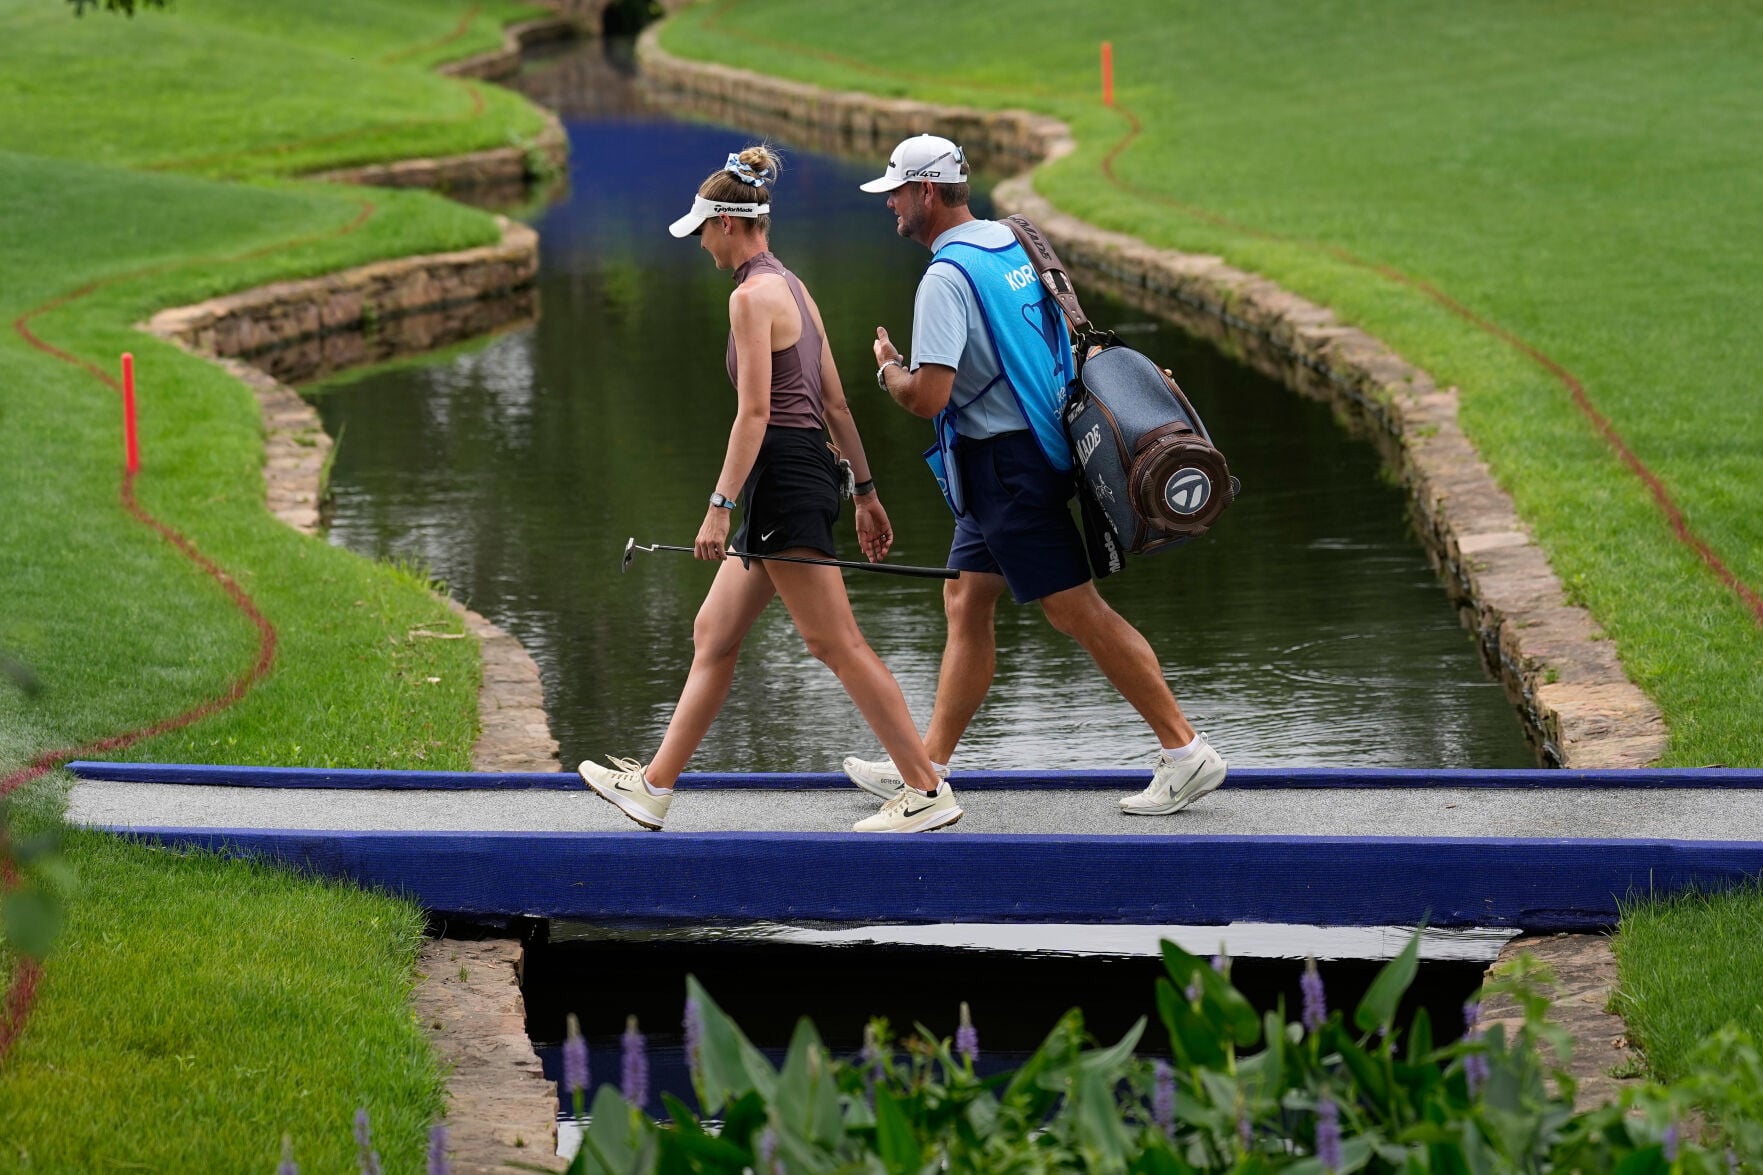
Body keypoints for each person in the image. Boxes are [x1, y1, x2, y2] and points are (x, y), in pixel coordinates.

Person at [577, 145, 962, 835]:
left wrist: (717, 507)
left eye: (701, 230)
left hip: (780, 478)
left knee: (835, 642)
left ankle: (925, 787)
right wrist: (866, 490)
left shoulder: (751, 298)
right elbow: (838, 404)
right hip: (798, 474)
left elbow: (754, 413)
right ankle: (655, 786)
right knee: (713, 633)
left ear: (728, 223)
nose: (699, 245)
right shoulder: (792, 284)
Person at [846, 133, 1227, 816]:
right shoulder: (1009, 239)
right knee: (966, 602)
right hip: (1032, 449)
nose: (891, 205)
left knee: (1076, 610)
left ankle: (1185, 750)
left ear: (926, 192)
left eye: (897, 192)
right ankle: (925, 765)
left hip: (1008, 467)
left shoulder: (943, 278)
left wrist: (886, 369)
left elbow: (928, 396)